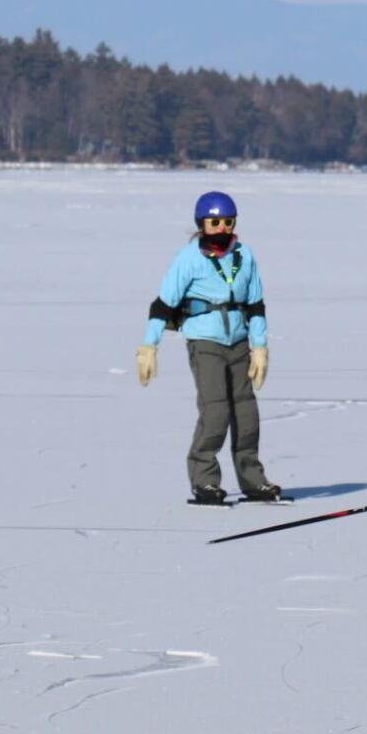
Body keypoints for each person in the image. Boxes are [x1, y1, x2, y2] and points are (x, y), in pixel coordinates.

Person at [135, 190, 282, 505]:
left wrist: (260, 348)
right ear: (202, 224)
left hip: (239, 341)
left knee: (246, 413)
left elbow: (255, 305)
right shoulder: (189, 258)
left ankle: (253, 480)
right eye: (215, 222)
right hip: (205, 341)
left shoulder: (245, 255)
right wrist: (150, 346)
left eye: (228, 222)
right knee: (216, 410)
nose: (222, 228)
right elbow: (163, 304)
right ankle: (205, 481)